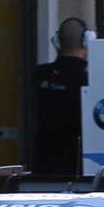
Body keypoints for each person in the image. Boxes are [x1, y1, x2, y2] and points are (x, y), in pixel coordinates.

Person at [30, 17, 89, 177]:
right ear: (86, 41)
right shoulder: (87, 79)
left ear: (56, 40)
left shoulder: (38, 75)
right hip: (76, 163)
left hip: (41, 159)